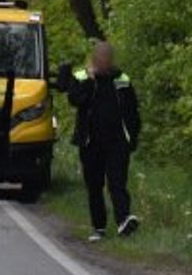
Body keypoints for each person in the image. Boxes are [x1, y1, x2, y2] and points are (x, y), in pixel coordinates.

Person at [58, 40, 141, 242]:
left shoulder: (121, 79)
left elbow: (132, 110)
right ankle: (99, 227)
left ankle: (123, 221)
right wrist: (89, 81)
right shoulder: (82, 77)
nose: (104, 63)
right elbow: (75, 100)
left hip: (117, 141)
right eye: (101, 59)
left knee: (117, 182)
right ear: (95, 59)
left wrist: (133, 136)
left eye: (107, 59)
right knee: (94, 185)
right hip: (90, 141)